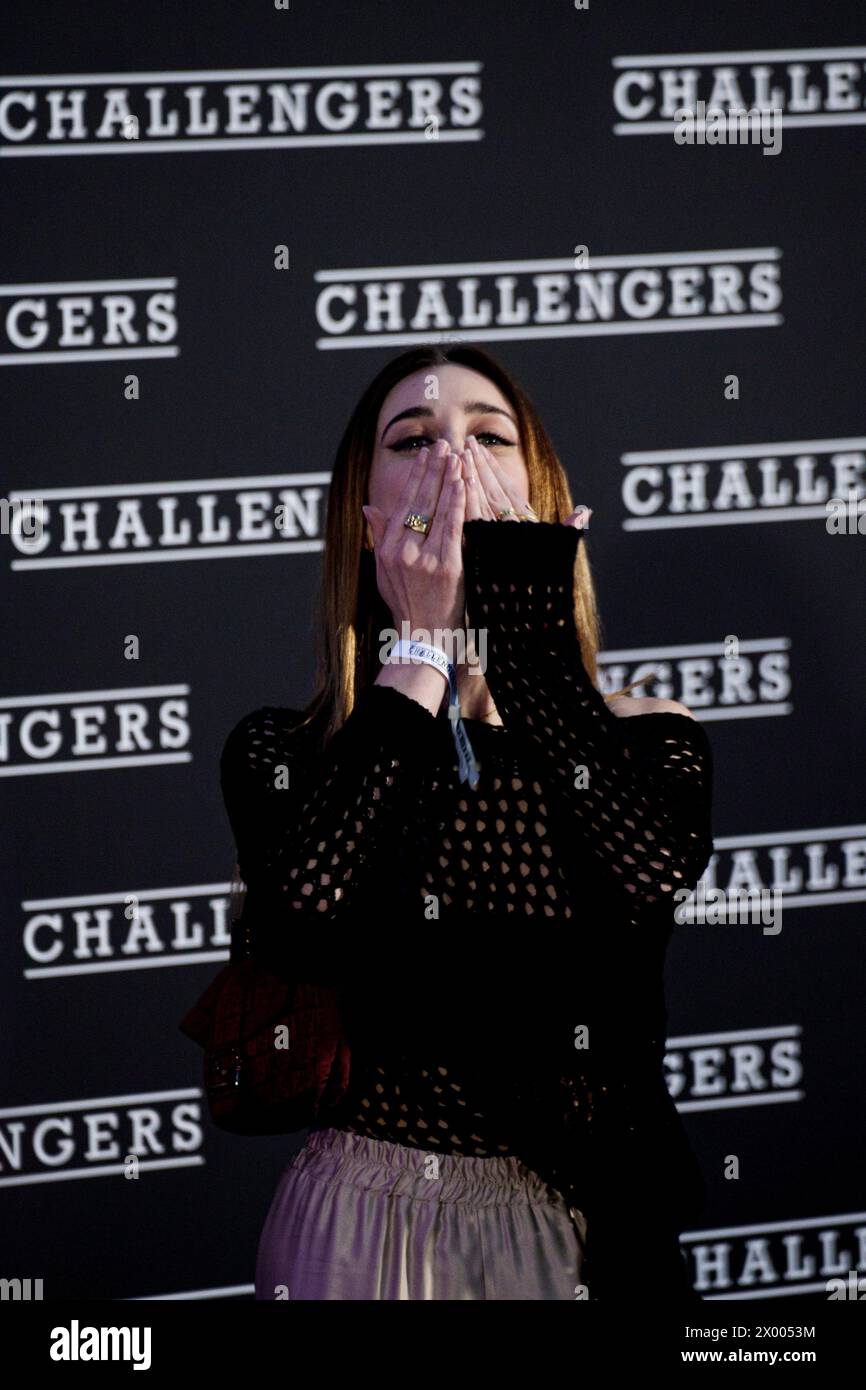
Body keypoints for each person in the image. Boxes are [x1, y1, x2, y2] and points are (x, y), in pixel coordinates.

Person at [218, 343, 714, 1301]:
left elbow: (646, 873)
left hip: (584, 1229)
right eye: (413, 440)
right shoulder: (286, 749)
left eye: (489, 435)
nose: (452, 458)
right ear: (366, 517)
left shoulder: (646, 731)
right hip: (367, 1230)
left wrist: (521, 638)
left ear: (538, 491)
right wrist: (421, 647)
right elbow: (306, 924)